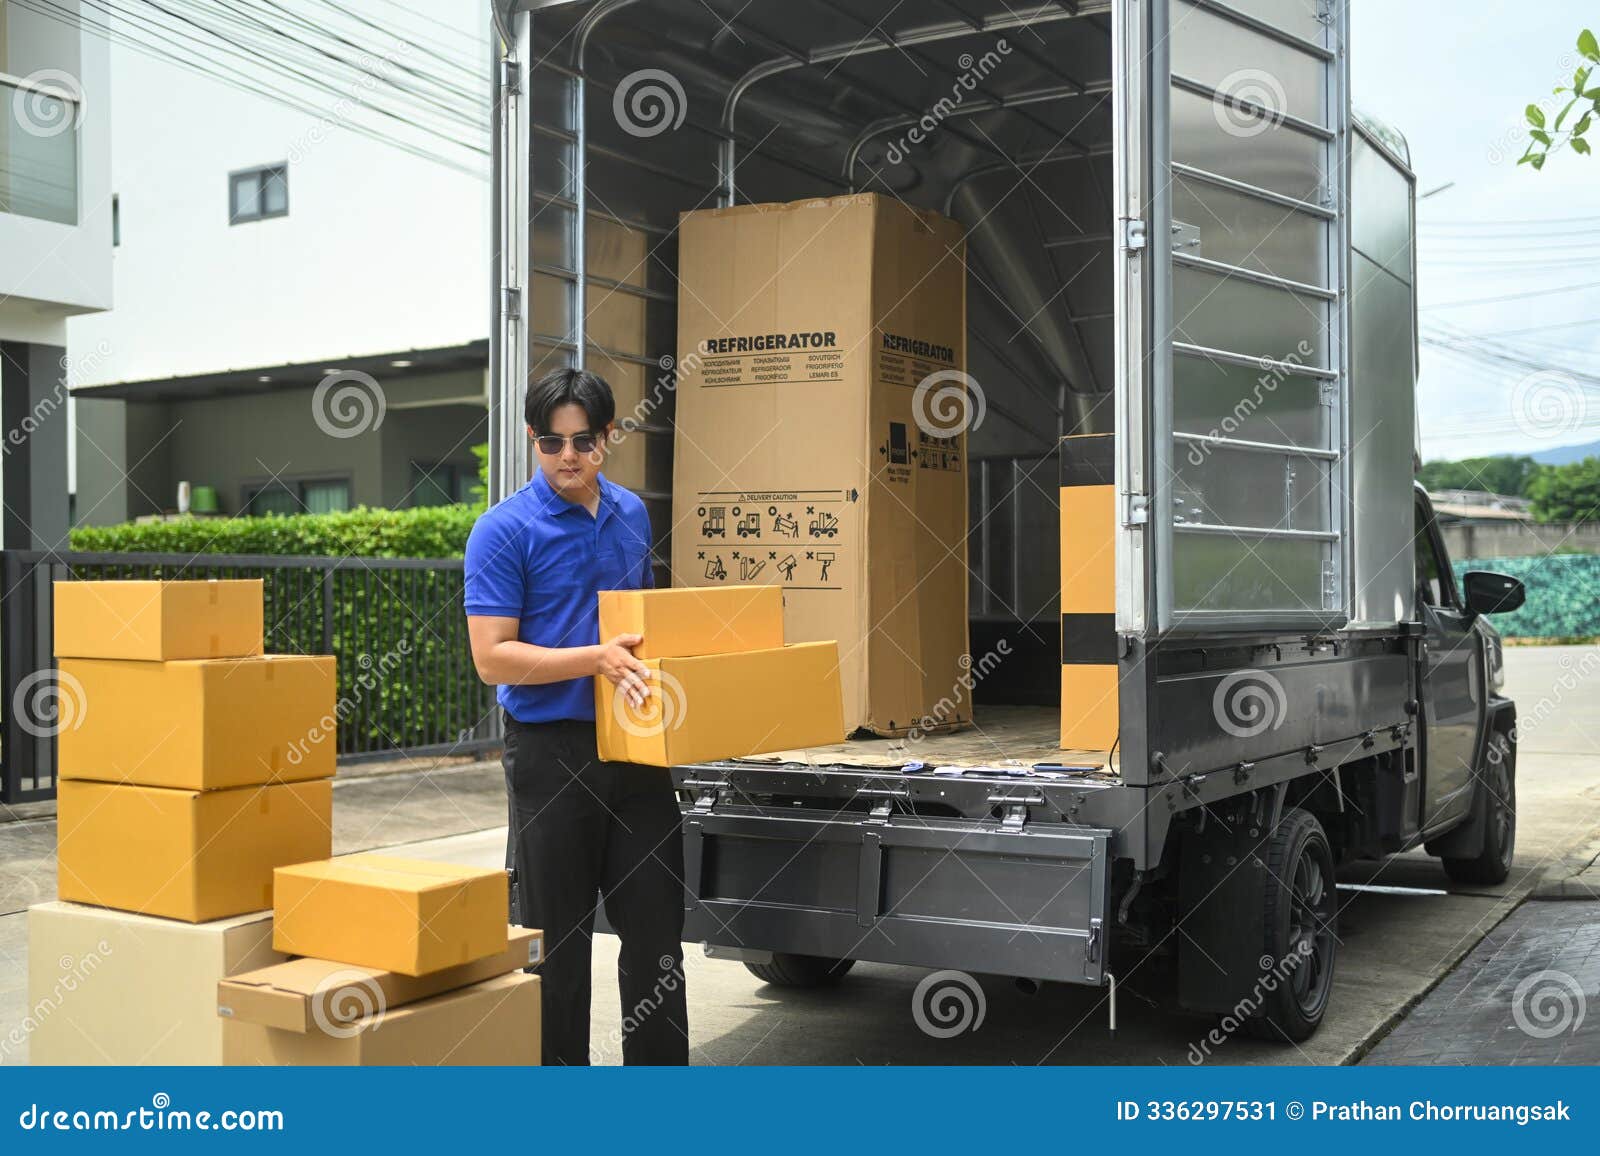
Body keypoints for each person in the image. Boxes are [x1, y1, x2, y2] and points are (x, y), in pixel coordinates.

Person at [464, 367, 687, 1066]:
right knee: (556, 946)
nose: (568, 456)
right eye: (551, 442)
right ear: (533, 441)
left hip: (636, 750)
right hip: (549, 756)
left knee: (656, 937)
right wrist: (592, 659)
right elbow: (493, 659)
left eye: (583, 440)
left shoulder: (632, 513)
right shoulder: (502, 532)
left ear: (608, 437)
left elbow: (642, 631)